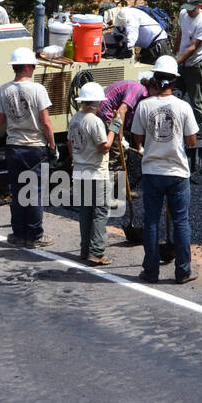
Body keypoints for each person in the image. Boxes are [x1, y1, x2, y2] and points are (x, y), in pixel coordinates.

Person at [131, 55, 198, 284]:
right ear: (174, 81)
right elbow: (191, 141)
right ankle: (183, 271)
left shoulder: (144, 106)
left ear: (155, 78)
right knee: (181, 221)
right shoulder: (183, 107)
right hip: (177, 172)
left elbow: (137, 138)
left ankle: (151, 271)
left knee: (151, 221)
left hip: (152, 171)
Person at [0, 46, 56, 248]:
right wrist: (53, 144)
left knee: (18, 190)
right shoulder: (38, 89)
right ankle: (35, 234)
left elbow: (0, 120)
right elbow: (46, 122)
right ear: (28, 67)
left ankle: (18, 233)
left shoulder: (3, 90)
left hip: (13, 145)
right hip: (35, 146)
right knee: (35, 191)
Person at [68, 82, 113, 266]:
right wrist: (114, 129)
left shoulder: (75, 118)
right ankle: (96, 252)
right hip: (96, 173)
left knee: (85, 212)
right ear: (98, 103)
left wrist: (79, 158)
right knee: (100, 212)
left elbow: (71, 145)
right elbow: (104, 147)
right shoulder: (94, 121)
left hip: (79, 172)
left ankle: (85, 249)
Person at [174, 0, 202, 128]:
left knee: (195, 99)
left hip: (194, 64)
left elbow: (193, 47)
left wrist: (175, 62)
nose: (189, 11)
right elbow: (180, 33)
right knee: (174, 93)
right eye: (187, 8)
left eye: (192, 9)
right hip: (180, 62)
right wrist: (174, 52)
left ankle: (201, 128)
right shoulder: (184, 14)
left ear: (199, 6)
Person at [96, 75, 151, 144]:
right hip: (107, 113)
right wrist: (120, 137)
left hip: (103, 109)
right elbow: (120, 112)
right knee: (116, 146)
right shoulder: (138, 89)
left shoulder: (140, 91)